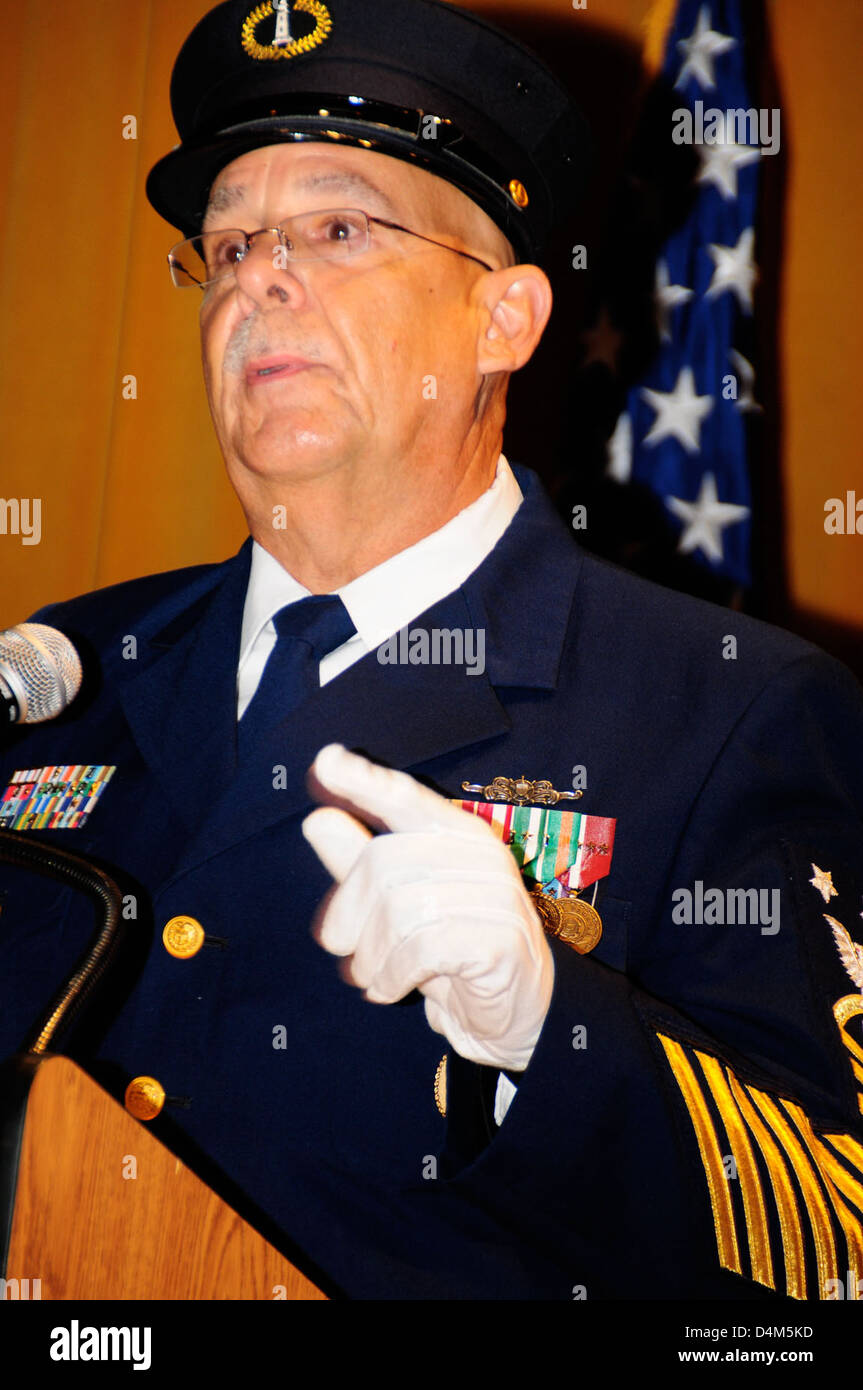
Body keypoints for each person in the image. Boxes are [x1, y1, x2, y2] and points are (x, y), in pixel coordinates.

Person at [1, 0, 862, 1301]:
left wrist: (547, 1035)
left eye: (338, 229)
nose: (258, 278)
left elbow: (832, 1239)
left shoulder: (732, 708)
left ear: (503, 321)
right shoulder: (63, 664)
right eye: (230, 244)